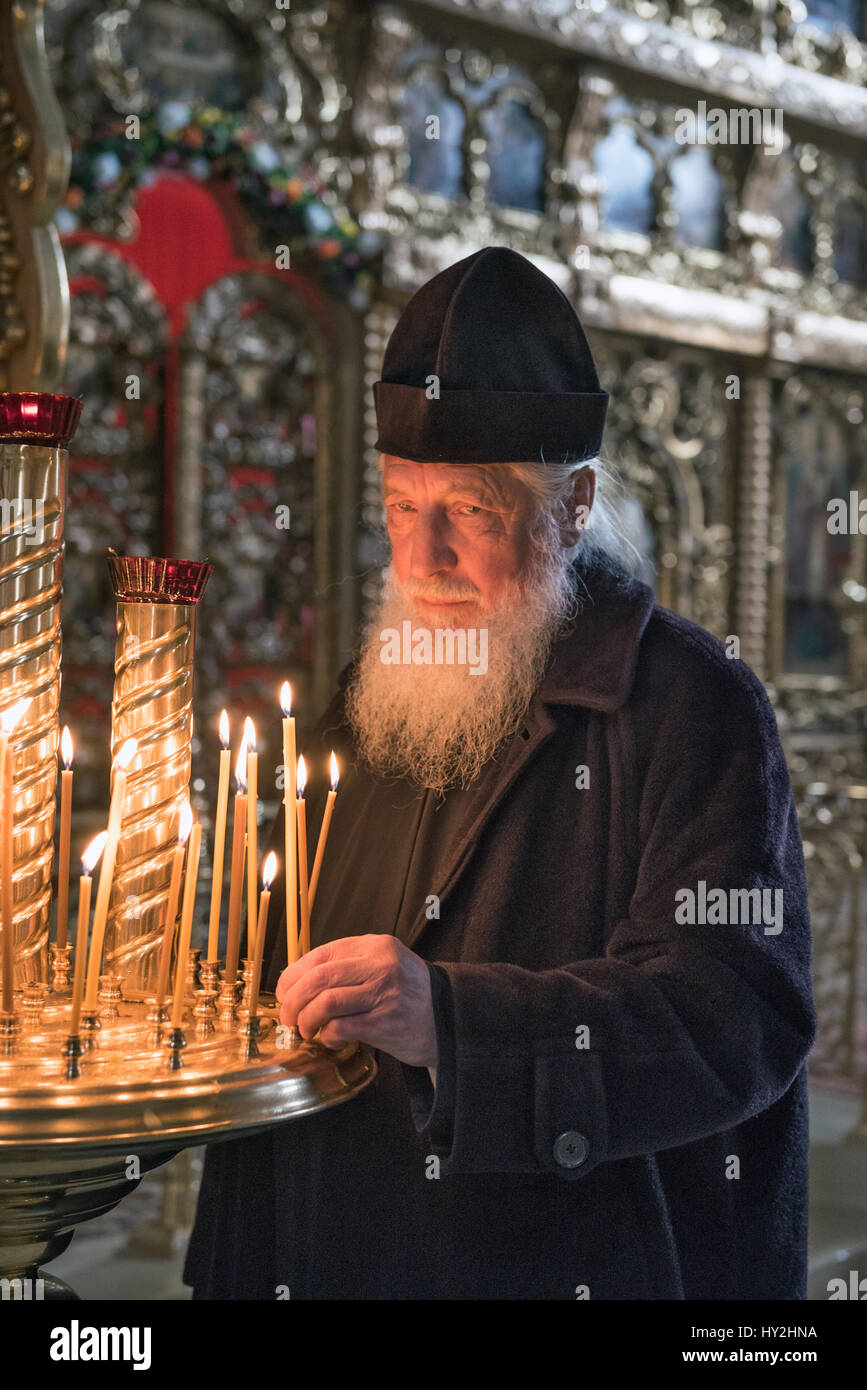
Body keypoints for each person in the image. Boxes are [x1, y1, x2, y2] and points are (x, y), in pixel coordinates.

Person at [184, 246, 815, 1300]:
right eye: (399, 507)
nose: (421, 558)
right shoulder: (371, 691)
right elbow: (275, 938)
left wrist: (451, 1020)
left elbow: (736, 1018)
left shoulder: (690, 707)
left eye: (471, 511)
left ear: (571, 510)